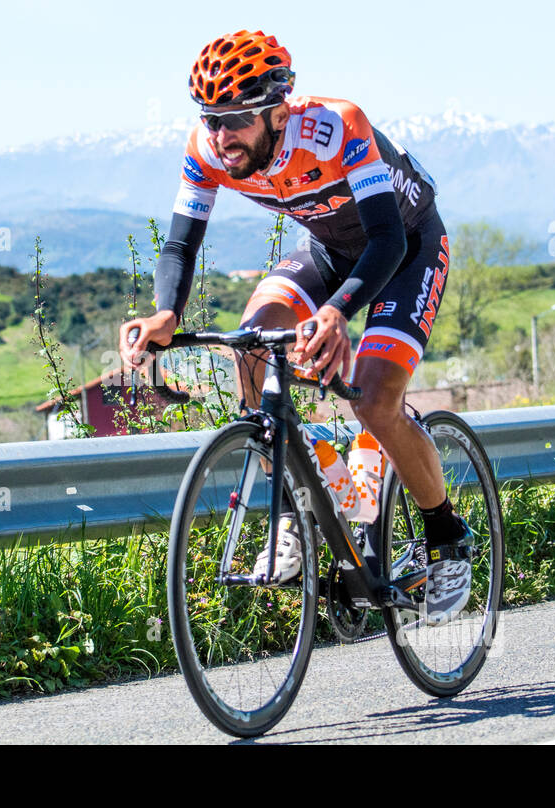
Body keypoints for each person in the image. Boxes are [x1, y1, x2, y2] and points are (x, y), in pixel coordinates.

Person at [119, 30, 473, 625]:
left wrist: (337, 312)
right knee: (251, 341)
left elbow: (387, 238)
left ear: (278, 111)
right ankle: (297, 503)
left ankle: (447, 537)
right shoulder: (206, 149)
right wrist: (165, 315)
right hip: (329, 251)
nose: (221, 136)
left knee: (376, 399)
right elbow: (181, 243)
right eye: (211, 119)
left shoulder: (338, 127)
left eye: (236, 119)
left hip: (405, 250)